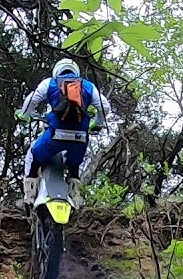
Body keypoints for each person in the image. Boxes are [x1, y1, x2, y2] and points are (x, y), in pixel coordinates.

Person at [15, 58, 111, 203]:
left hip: (55, 136)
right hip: (79, 139)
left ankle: (29, 196)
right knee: (74, 165)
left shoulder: (50, 83)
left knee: (34, 155)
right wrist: (96, 123)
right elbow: (105, 108)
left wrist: (25, 115)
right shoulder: (88, 86)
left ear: (56, 71)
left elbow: (31, 101)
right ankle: (75, 194)